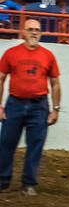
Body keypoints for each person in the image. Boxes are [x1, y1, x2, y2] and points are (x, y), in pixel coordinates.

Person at [0, 17, 61, 195]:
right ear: (23, 32)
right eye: (31, 29)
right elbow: (1, 79)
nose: (35, 32)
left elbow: (55, 83)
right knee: (6, 143)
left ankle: (28, 183)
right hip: (14, 104)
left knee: (35, 145)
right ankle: (3, 180)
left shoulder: (48, 55)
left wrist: (55, 109)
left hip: (39, 106)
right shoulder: (11, 53)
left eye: (37, 30)